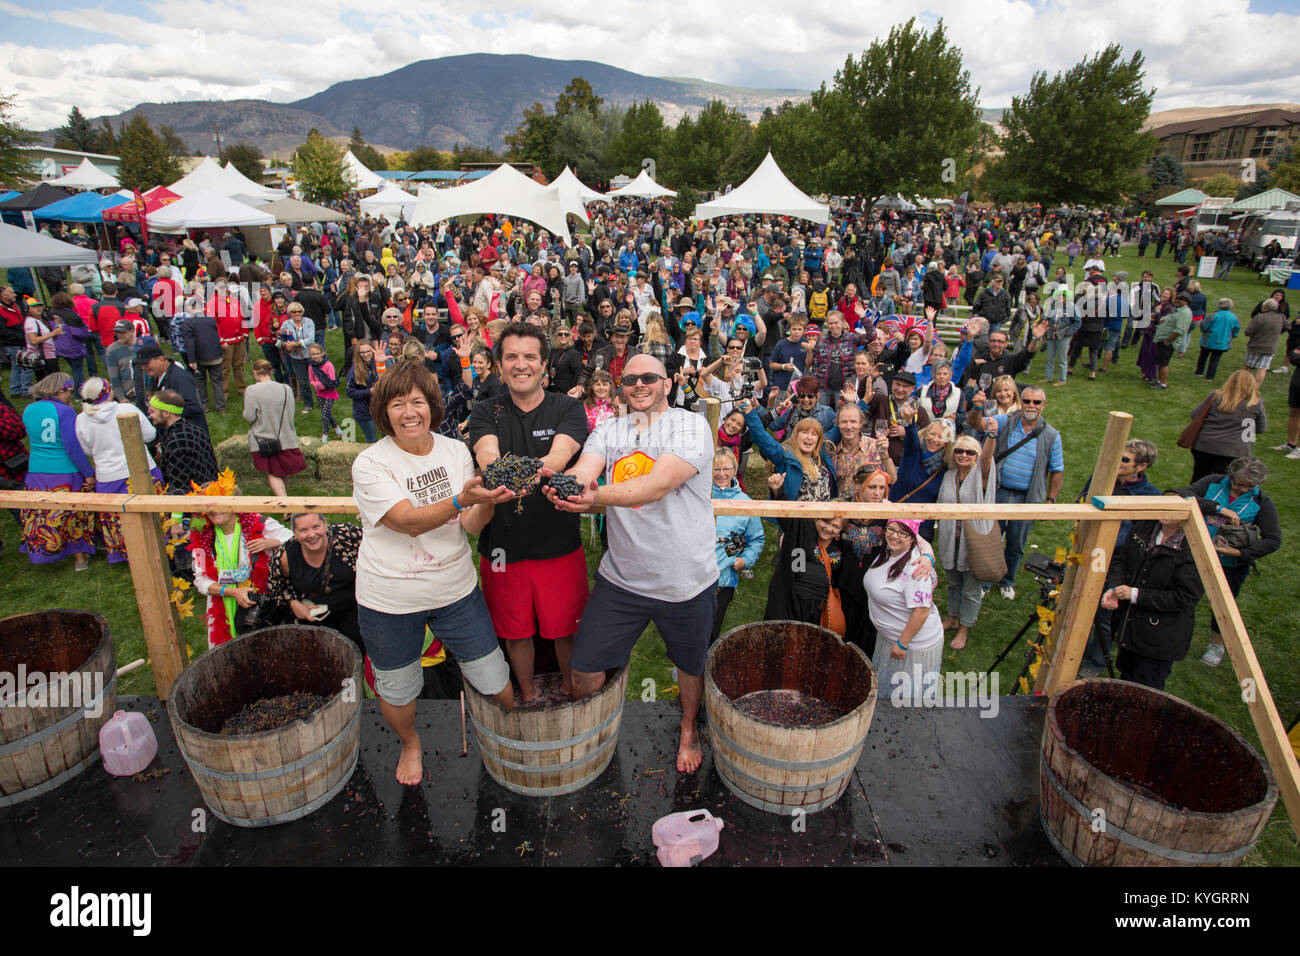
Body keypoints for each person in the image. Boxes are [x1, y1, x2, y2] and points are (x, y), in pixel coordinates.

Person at [544, 354, 717, 773]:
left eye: (649, 378)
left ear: (668, 384)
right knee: (585, 667)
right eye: (630, 379)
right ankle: (598, 733)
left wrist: (594, 498)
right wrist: (571, 486)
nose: (638, 385)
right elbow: (588, 467)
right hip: (621, 580)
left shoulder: (689, 426)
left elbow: (658, 484)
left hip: (685, 581)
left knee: (689, 667)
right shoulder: (610, 428)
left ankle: (689, 729)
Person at [351, 360, 516, 784]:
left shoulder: (454, 451)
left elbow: (470, 526)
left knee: (494, 678)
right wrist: (463, 498)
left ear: (433, 407)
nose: (409, 412)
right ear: (383, 412)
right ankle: (410, 743)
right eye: (397, 404)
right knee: (398, 690)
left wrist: (487, 501)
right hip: (389, 597)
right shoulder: (370, 463)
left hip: (454, 589)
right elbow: (407, 521)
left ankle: (507, 737)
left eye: (418, 402)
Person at [468, 323, 589, 702]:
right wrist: (496, 472)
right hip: (504, 549)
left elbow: (559, 455)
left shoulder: (568, 408)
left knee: (565, 629)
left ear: (544, 366)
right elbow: (487, 455)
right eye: (512, 357)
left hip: (559, 544)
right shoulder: (485, 411)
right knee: (515, 631)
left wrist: (515, 471)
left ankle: (569, 693)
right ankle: (528, 696)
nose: (521, 365)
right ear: (500, 367)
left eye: (530, 357)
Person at [1176, 457, 1281, 668]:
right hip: (1193, 553)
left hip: (1230, 565)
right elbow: (1183, 494)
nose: (1243, 489)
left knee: (1223, 605)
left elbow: (1273, 540)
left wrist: (1240, 552)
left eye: (1249, 486)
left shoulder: (1263, 502)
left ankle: (1217, 645)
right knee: (1182, 593)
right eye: (1239, 484)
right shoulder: (1213, 482)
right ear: (1230, 476)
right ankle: (1174, 632)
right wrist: (1217, 508)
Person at [968, 383, 1063, 600]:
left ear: (1043, 405)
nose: (1031, 405)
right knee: (991, 538)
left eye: (1036, 402)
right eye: (1027, 401)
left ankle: (1007, 581)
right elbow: (978, 424)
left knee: (1016, 543)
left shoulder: (1051, 436)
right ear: (1022, 402)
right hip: (999, 491)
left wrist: (1052, 499)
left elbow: (1057, 470)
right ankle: (984, 582)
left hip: (1027, 498)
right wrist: (977, 408)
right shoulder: (1006, 421)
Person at [1100, 510, 1205, 691]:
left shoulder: (1193, 550)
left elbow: (1186, 596)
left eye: (1174, 508)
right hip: (1130, 628)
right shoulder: (1144, 529)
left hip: (1159, 638)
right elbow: (1121, 559)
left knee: (1146, 690)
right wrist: (1114, 587)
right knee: (1126, 677)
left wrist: (1136, 595)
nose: (1166, 509)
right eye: (1164, 503)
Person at [188, 477, 291, 648]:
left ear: (235, 504)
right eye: (209, 506)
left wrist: (271, 542)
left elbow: (293, 538)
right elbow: (200, 581)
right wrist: (233, 592)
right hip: (223, 604)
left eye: (222, 504)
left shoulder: (259, 524)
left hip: (260, 603)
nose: (215, 510)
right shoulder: (202, 539)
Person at [74, 377, 163, 564]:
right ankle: (160, 546)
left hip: (108, 475)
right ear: (108, 392)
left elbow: (86, 450)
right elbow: (150, 435)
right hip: (141, 469)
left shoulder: (82, 419)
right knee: (153, 511)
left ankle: (127, 552)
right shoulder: (126, 409)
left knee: (117, 519)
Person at [19, 373, 96, 568]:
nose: (70, 396)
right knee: (72, 516)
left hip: (37, 470)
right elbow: (72, 447)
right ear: (60, 390)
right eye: (69, 392)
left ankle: (43, 551)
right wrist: (87, 472)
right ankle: (80, 558)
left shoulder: (29, 409)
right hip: (64, 471)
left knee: (41, 515)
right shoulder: (65, 412)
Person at [865, 519, 945, 701]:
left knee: (905, 698)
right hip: (889, 637)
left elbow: (922, 611)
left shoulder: (916, 569)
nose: (894, 535)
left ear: (912, 539)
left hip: (911, 647)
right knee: (886, 689)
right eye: (891, 530)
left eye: (902, 533)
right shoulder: (890, 552)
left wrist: (902, 643)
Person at [265, 514, 365, 655]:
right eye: (303, 530)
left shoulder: (347, 535)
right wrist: (294, 604)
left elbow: (378, 546)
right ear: (294, 532)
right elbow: (276, 587)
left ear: (325, 524)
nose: (311, 535)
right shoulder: (286, 555)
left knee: (355, 656)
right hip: (315, 616)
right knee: (322, 660)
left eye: (316, 527)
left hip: (354, 609)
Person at [937, 430, 998, 650]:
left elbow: (988, 457)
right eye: (959, 451)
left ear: (976, 455)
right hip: (949, 540)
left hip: (973, 543)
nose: (963, 455)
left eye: (970, 452)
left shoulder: (981, 473)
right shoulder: (948, 476)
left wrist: (991, 436)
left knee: (971, 589)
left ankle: (964, 627)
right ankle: (952, 618)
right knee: (954, 583)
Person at [710, 449, 764, 645]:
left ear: (734, 469)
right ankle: (684, 668)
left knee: (711, 629)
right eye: (716, 468)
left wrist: (745, 560)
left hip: (723, 580)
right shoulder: (699, 495)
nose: (721, 473)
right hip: (693, 576)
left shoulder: (745, 503)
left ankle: (703, 669)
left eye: (726, 468)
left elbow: (757, 539)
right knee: (687, 627)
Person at [1187, 370, 1266, 482]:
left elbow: (1195, 415)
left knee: (1199, 477)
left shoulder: (1216, 397)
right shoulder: (1255, 404)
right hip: (1233, 451)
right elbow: (1260, 428)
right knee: (1224, 482)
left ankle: (1194, 498)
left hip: (1204, 445)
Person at [244, 359, 306, 496]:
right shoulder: (286, 388)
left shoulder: (252, 390)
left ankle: (284, 504)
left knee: (272, 472)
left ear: (255, 372)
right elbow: (291, 411)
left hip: (263, 438)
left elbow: (249, 416)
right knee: (282, 470)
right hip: (286, 435)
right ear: (270, 371)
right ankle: (285, 501)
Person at [149, 388, 219, 493]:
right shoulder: (197, 430)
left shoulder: (175, 441)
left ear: (166, 413)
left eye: (152, 411)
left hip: (195, 503)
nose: (150, 415)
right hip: (212, 494)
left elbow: (179, 487)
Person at [278, 301, 316, 412]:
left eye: (299, 311)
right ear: (290, 313)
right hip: (296, 357)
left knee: (316, 380)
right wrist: (286, 345)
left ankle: (324, 400)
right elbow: (280, 341)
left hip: (311, 355)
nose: (297, 313)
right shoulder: (286, 324)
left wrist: (296, 343)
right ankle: (308, 404)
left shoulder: (309, 322)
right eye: (294, 312)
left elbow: (311, 339)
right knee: (303, 382)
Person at [1151, 293, 1191, 390]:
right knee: (1160, 362)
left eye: (1180, 300)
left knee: (1164, 363)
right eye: (1177, 299)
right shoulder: (1177, 310)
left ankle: (1163, 384)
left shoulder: (1184, 313)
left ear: (1186, 302)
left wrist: (1168, 340)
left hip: (1168, 342)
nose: (1177, 301)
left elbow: (1179, 330)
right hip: (1163, 339)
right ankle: (1159, 381)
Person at [1241, 298, 1285, 387]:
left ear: (1265, 307)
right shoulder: (1281, 317)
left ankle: (1242, 385)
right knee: (1262, 368)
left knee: (1247, 367)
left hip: (1256, 346)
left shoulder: (1259, 317)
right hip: (1270, 348)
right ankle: (1256, 387)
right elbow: (1288, 326)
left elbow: (1247, 332)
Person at [306, 343, 343, 444]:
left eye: (317, 353)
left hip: (330, 393)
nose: (315, 356)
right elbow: (311, 379)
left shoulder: (328, 365)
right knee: (327, 414)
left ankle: (324, 436)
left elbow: (331, 380)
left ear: (322, 353)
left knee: (324, 415)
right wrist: (317, 385)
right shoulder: (311, 366)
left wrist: (319, 385)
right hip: (319, 394)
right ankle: (338, 430)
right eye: (312, 354)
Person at [1196, 298, 1239, 381]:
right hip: (1223, 342)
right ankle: (1210, 376)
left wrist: (1204, 331)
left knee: (1203, 356)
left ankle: (1199, 372)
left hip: (1209, 340)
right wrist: (1232, 336)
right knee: (1215, 359)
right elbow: (1236, 329)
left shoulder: (1213, 315)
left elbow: (1204, 326)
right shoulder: (1234, 317)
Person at [347, 341, 379, 443]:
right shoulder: (354, 371)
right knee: (372, 440)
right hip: (364, 412)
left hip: (378, 409)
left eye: (368, 351)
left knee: (388, 437)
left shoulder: (376, 364)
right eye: (362, 352)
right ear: (358, 354)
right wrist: (369, 391)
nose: (366, 354)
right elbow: (350, 392)